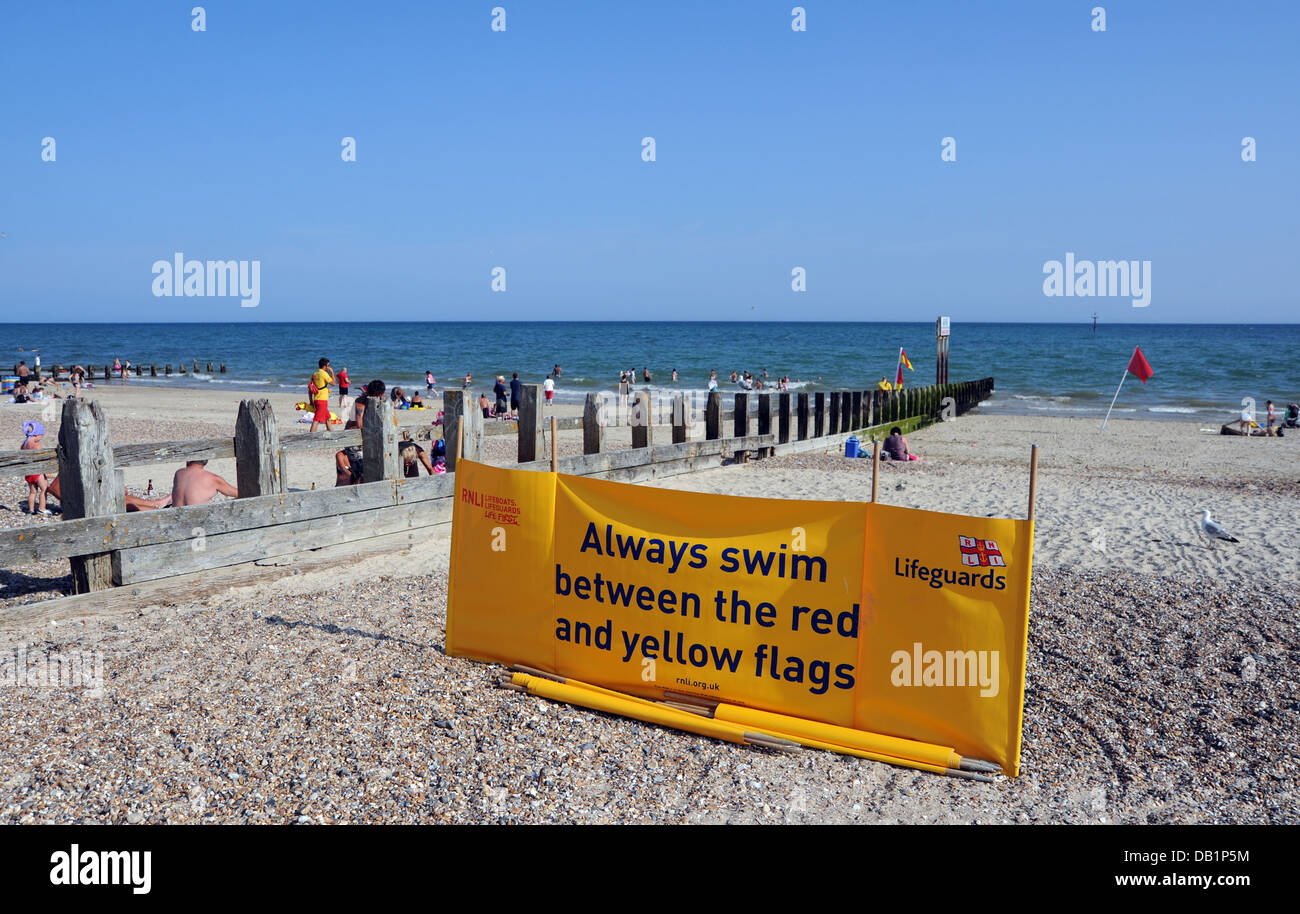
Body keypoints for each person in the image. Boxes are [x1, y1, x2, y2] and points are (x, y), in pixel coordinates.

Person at [170, 460, 238, 506]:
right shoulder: (212, 478)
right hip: (199, 519)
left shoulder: (179, 473)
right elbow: (238, 493)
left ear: (188, 460)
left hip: (177, 516)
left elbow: (184, 491)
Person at [21, 421, 51, 515]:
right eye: (41, 435)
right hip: (37, 471)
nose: (41, 437)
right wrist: (46, 472)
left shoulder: (25, 443)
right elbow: (40, 459)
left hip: (28, 471)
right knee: (44, 489)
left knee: (33, 492)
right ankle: (42, 508)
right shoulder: (36, 444)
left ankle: (31, 510)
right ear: (36, 434)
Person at [309, 357, 335, 433]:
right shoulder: (324, 374)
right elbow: (333, 383)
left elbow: (310, 389)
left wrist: (311, 401)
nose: (329, 367)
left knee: (328, 419)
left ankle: (332, 435)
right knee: (316, 420)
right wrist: (332, 373)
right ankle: (310, 437)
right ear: (325, 366)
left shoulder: (314, 374)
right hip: (322, 400)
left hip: (316, 399)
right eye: (328, 365)